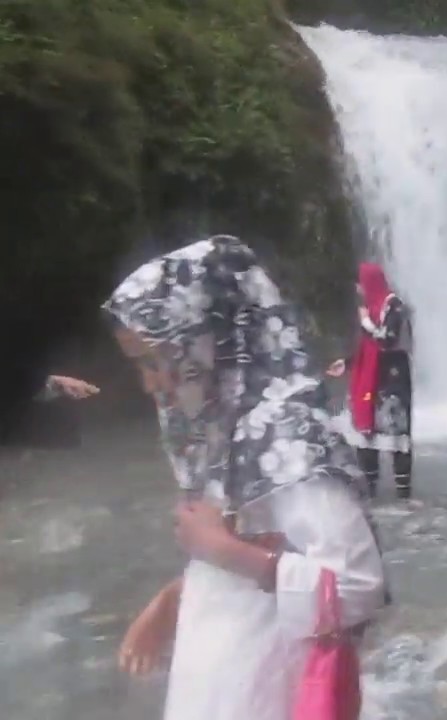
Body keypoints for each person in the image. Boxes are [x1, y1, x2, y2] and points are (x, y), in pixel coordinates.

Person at [107, 236, 386, 720]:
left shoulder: (286, 432)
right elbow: (257, 549)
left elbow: (359, 586)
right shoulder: (227, 426)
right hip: (224, 672)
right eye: (139, 366)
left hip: (268, 684)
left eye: (155, 361)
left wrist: (222, 551)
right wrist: (172, 598)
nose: (149, 384)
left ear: (204, 341)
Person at [327, 262, 414, 501]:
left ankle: (403, 495)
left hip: (392, 383)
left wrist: (366, 323)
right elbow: (368, 349)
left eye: (360, 284)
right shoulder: (373, 307)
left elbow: (387, 341)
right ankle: (370, 492)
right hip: (372, 381)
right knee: (366, 436)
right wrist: (347, 363)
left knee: (396, 436)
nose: (358, 290)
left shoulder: (394, 307)